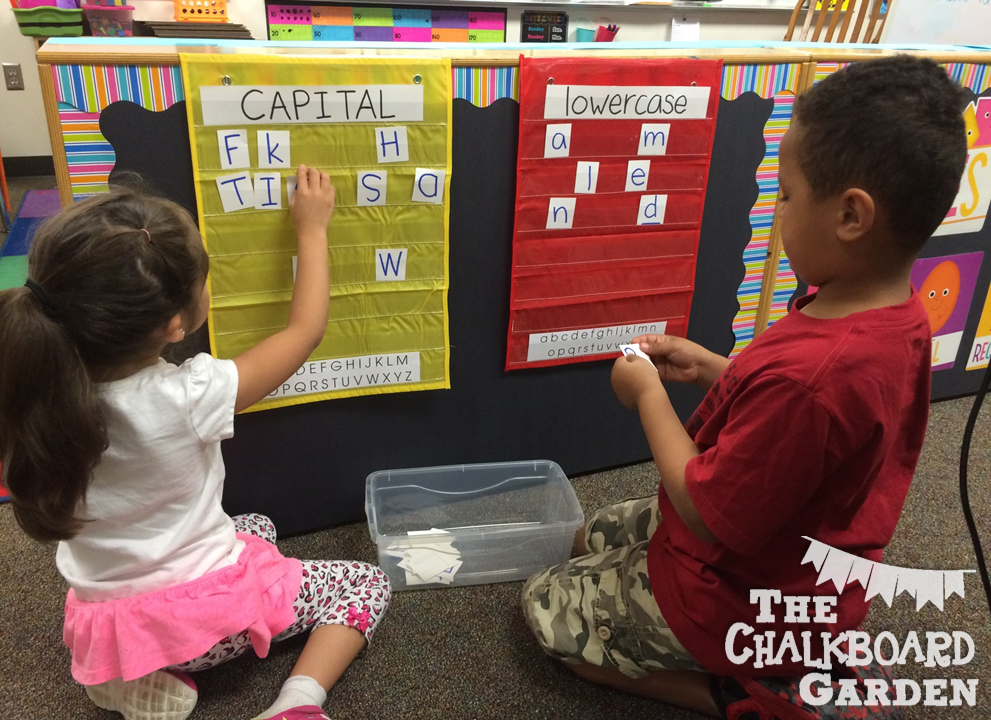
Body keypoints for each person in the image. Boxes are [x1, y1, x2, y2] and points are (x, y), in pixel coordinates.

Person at [521, 55, 968, 718]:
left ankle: (737, 692)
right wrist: (711, 366)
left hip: (740, 587)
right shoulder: (891, 316)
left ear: (850, 215)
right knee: (594, 532)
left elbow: (704, 507)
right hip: (799, 562)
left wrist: (647, 396)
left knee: (542, 609)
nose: (777, 208)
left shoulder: (816, 376)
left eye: (785, 195)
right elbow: (809, 430)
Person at [0, 166, 390, 720]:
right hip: (204, 623)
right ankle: (296, 705)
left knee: (255, 528)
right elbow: (304, 332)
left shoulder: (32, 388)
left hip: (103, 620)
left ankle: (135, 672)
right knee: (365, 585)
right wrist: (312, 228)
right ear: (176, 324)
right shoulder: (188, 395)